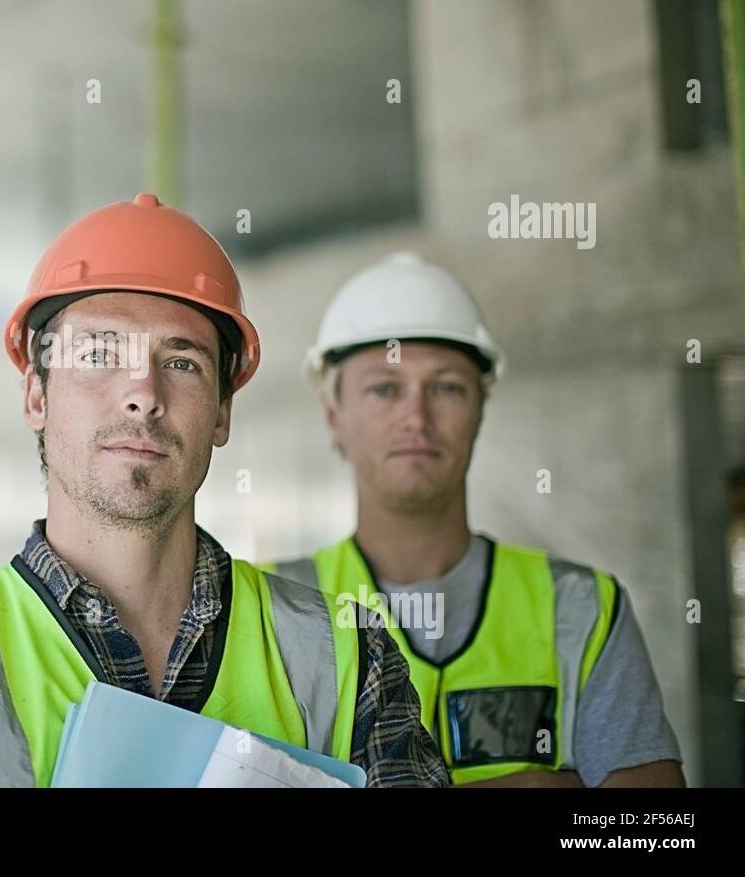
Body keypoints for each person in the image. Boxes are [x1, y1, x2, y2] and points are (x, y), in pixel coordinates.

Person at [0, 194, 448, 787]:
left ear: (221, 414)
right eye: (100, 353)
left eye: (181, 363)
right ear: (37, 396)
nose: (143, 392)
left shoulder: (348, 657)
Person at [266, 251, 684, 786]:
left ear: (480, 410)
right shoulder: (272, 607)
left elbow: (654, 833)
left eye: (446, 387)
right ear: (333, 415)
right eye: (385, 389)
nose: (416, 417)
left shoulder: (581, 609)